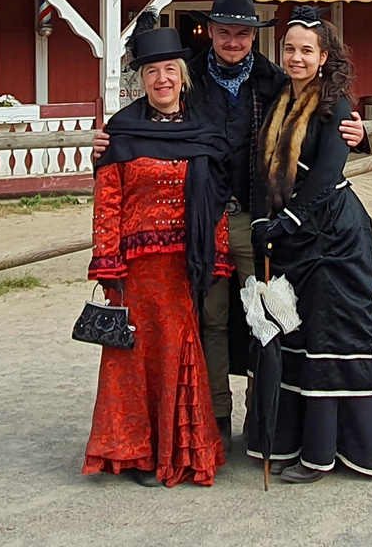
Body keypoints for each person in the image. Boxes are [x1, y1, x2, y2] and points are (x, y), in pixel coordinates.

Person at [92, 0, 365, 435]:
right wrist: (109, 143)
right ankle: (214, 416)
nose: (233, 41)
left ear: (253, 37)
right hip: (204, 219)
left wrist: (355, 128)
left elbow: (317, 112)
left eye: (242, 33)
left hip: (263, 218)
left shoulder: (275, 79)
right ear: (212, 33)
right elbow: (151, 125)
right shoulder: (189, 77)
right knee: (211, 319)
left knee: (270, 316)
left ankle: (266, 419)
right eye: (225, 33)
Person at [246, 5, 372, 483]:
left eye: (306, 50)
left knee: (338, 338)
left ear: (324, 55)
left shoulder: (336, 106)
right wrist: (262, 223)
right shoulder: (279, 101)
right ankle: (299, 439)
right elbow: (264, 171)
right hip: (295, 242)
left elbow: (326, 177)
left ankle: (330, 453)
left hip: (332, 239)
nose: (296, 57)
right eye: (289, 48)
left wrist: (283, 223)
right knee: (303, 340)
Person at [83, 25, 233, 488]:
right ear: (141, 80)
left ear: (183, 76)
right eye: (153, 72)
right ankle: (138, 454)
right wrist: (108, 263)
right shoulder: (121, 132)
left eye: (170, 69)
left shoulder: (201, 131)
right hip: (136, 268)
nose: (162, 79)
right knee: (133, 359)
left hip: (184, 267)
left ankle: (176, 450)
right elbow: (107, 202)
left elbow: (215, 200)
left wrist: (218, 255)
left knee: (177, 355)